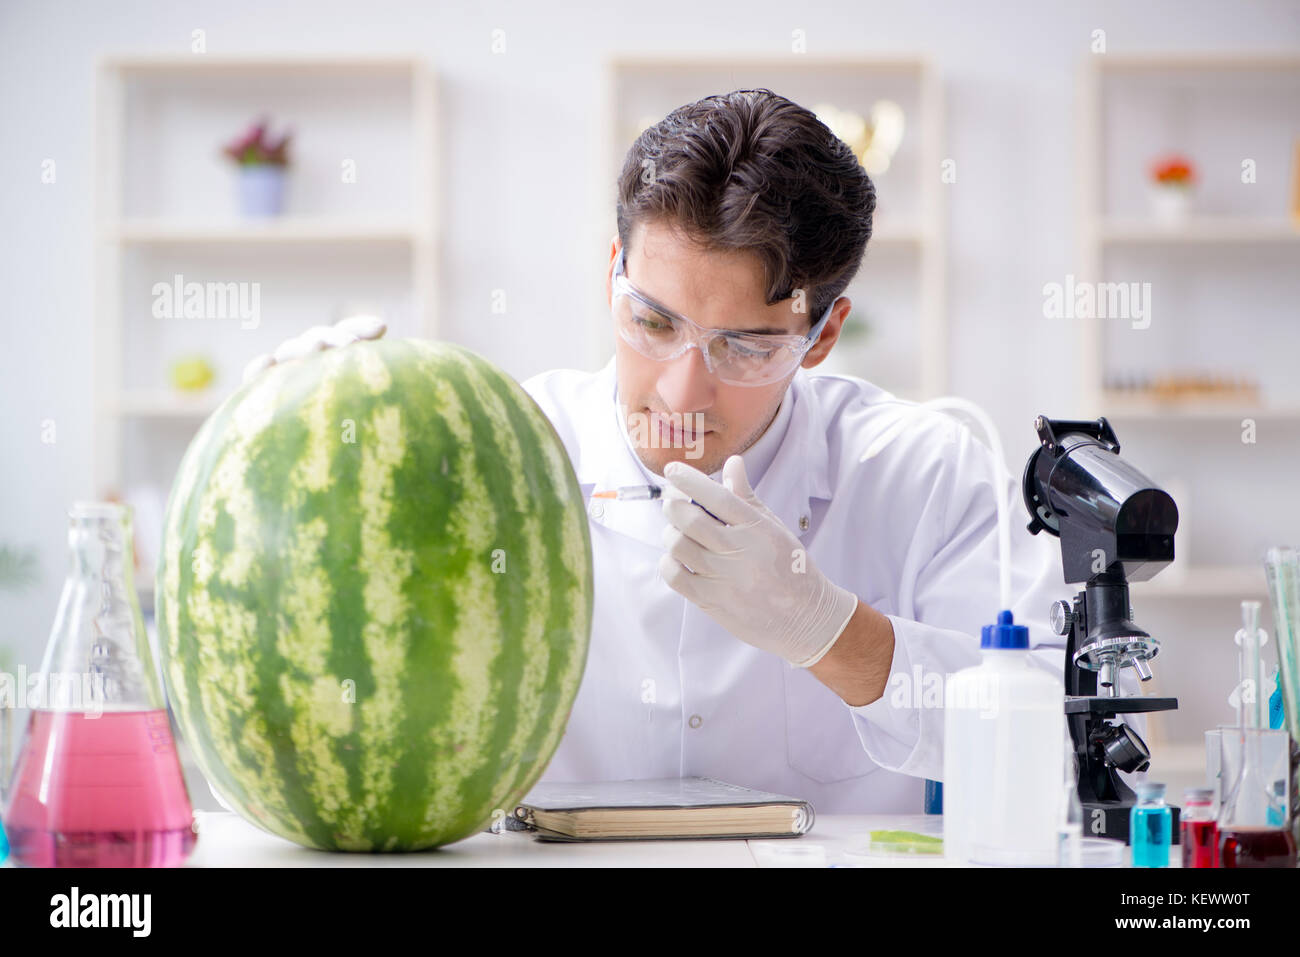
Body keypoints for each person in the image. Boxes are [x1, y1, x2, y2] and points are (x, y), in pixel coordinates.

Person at [244, 89, 1133, 814]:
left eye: (744, 346)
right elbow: (325, 679)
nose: (679, 390)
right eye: (653, 321)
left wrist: (829, 630)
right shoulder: (503, 450)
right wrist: (285, 447)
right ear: (612, 276)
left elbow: (1051, 746)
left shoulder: (923, 470)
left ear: (822, 338)